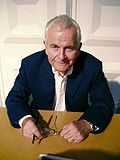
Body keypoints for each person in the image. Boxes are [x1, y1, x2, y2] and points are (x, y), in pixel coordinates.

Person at [6, 15, 114, 143]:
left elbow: (104, 102)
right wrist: (25, 120)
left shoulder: (92, 66)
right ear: (45, 46)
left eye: (68, 48)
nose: (61, 57)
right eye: (54, 47)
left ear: (79, 48)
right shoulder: (30, 65)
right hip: (40, 128)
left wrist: (86, 124)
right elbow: (14, 98)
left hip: (76, 128)